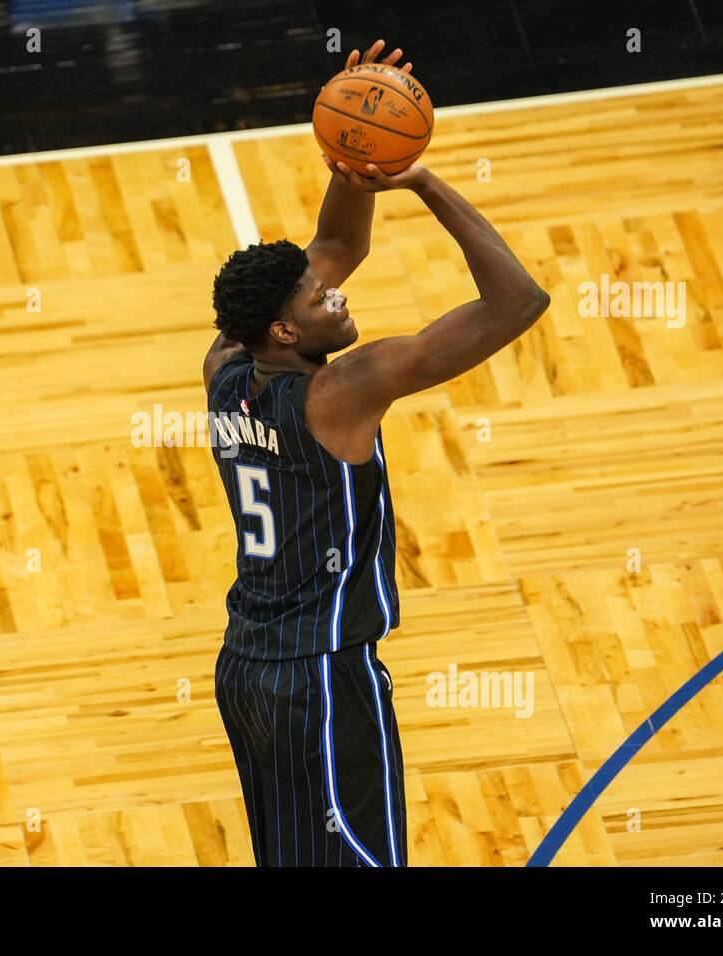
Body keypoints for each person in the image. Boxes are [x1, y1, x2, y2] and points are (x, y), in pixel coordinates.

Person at [205, 40, 550, 866]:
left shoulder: (224, 367)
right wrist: (422, 180)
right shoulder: (344, 391)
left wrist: (352, 159)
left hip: (246, 669)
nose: (338, 291)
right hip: (321, 677)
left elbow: (334, 245)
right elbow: (519, 299)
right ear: (287, 330)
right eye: (320, 300)